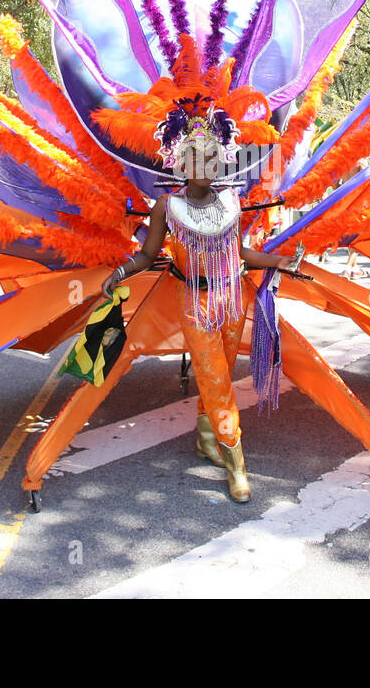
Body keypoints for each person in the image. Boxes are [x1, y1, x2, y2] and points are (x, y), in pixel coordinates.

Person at [100, 102, 300, 503]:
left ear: (220, 160)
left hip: (230, 300)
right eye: (194, 157)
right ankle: (237, 464)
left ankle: (207, 440)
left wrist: (279, 260)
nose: (203, 164)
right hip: (193, 301)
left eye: (210, 157)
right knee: (214, 379)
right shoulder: (167, 206)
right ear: (180, 162)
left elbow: (240, 251)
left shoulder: (231, 203)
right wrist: (120, 273)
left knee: (222, 373)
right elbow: (148, 254)